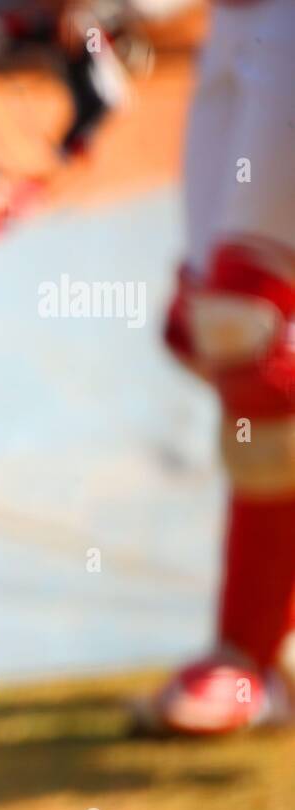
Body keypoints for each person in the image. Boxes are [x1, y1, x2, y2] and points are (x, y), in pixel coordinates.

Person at [146, 0, 295, 734]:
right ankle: (268, 644)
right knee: (203, 325)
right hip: (229, 23)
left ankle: (248, 657)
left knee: (244, 325)